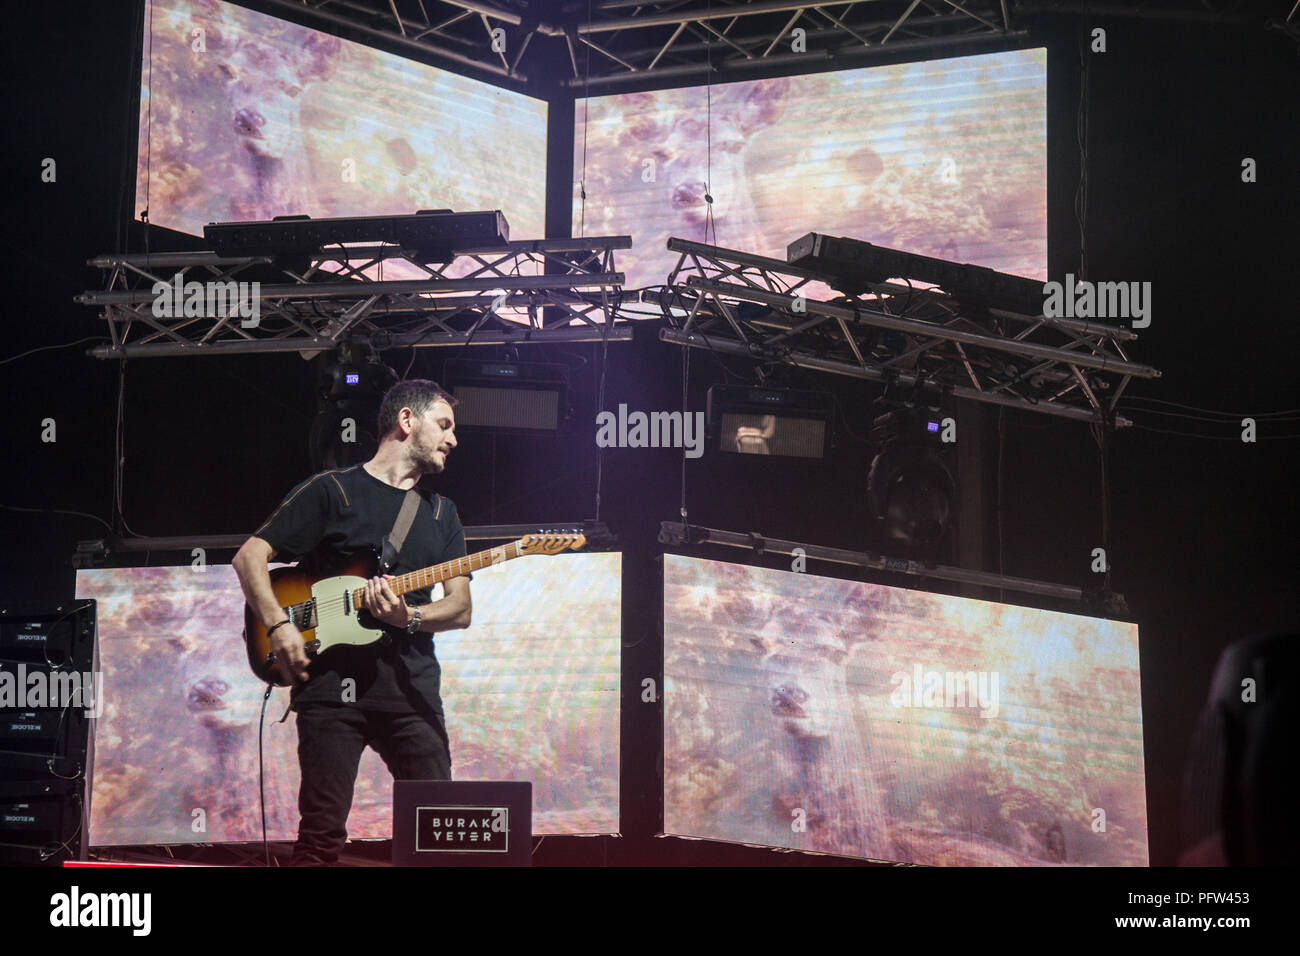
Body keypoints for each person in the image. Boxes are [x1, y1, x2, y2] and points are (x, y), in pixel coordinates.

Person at [233, 379, 472, 865]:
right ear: (407, 421)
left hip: (411, 693)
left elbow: (460, 609)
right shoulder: (332, 490)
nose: (453, 440)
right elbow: (250, 558)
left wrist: (410, 616)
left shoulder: (443, 513)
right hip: (330, 693)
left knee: (440, 837)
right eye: (444, 426)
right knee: (321, 839)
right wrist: (279, 627)